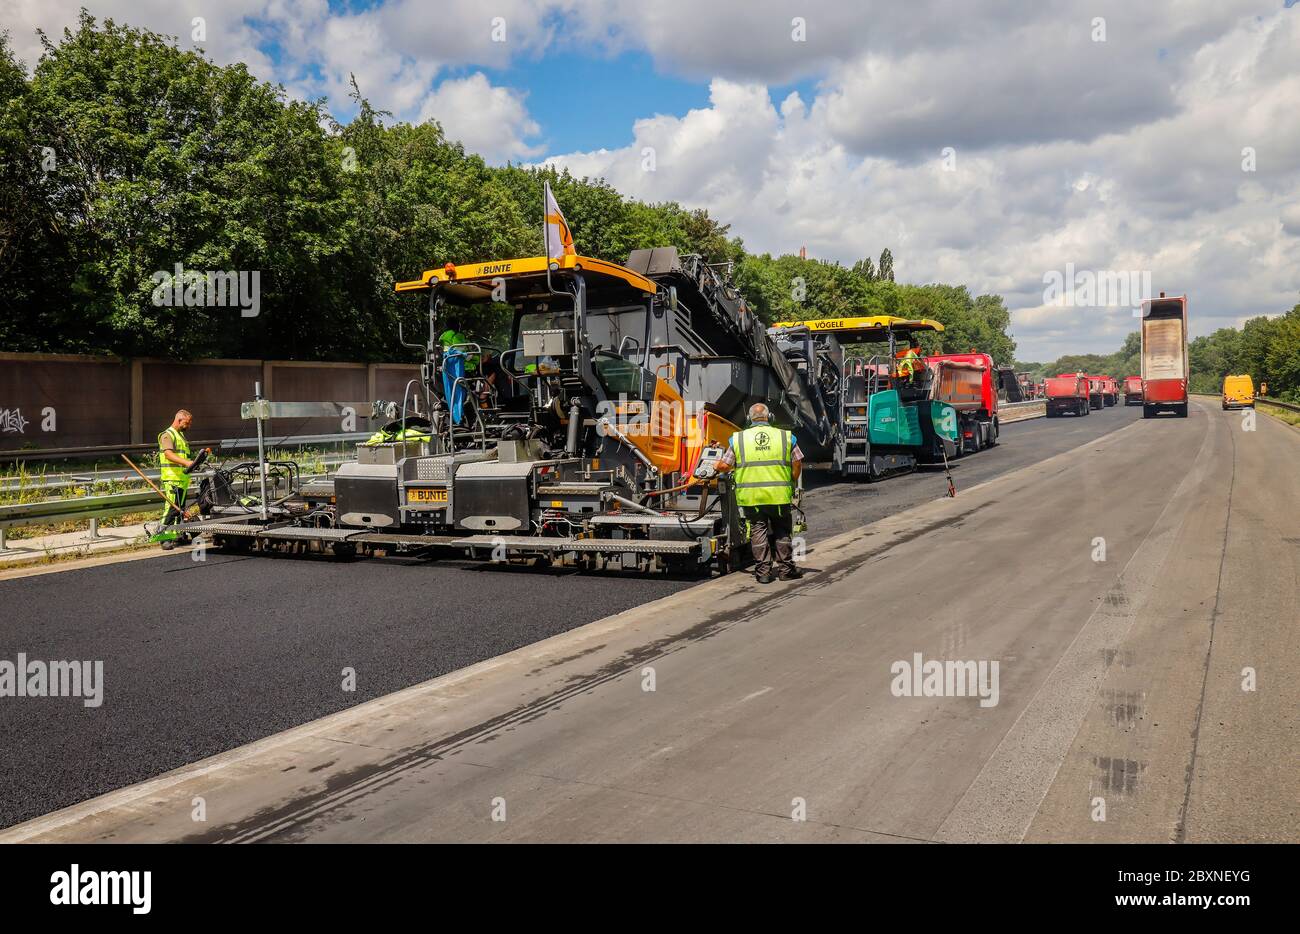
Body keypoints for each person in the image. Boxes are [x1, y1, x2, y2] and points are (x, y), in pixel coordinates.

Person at [697, 403, 803, 584]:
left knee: (758, 531)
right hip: (779, 496)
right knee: (782, 531)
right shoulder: (786, 437)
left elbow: (725, 465)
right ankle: (786, 570)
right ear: (770, 418)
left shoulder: (738, 439)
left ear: (749, 419)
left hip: (752, 498)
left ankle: (763, 573)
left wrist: (714, 465)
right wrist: (791, 481)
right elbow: (798, 462)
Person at [156, 409, 195, 547]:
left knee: (180, 509)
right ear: (179, 420)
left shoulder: (181, 436)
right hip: (172, 478)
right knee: (171, 509)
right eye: (187, 423)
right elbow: (168, 455)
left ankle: (177, 535)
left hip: (182, 478)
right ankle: (163, 537)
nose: (189, 426)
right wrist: (187, 463)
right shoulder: (167, 435)